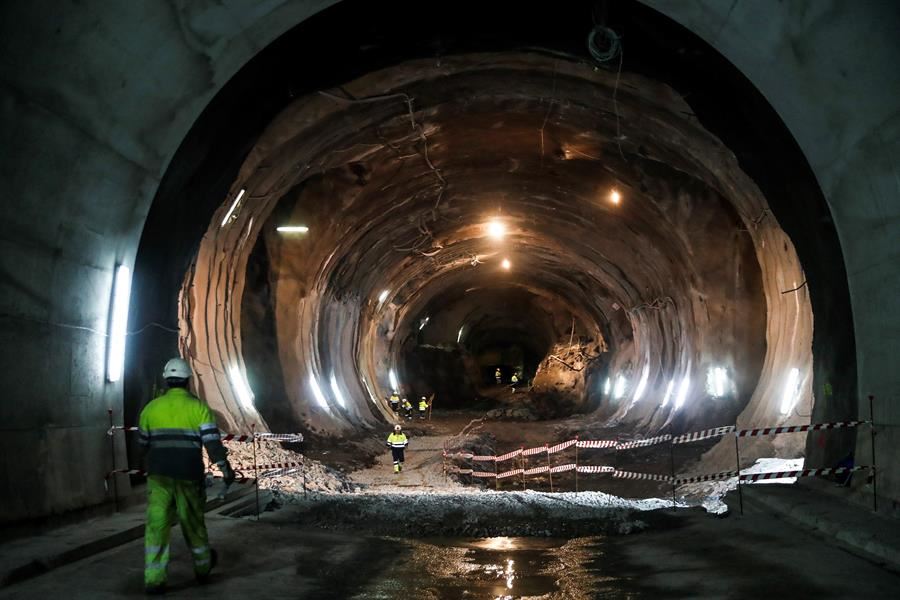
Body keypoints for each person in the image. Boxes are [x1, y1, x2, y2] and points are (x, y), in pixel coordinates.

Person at [139, 357, 235, 595]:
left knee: (157, 526)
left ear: (166, 380)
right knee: (193, 524)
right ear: (188, 381)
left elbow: (141, 445)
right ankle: (202, 570)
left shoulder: (150, 409)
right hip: (188, 477)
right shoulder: (199, 408)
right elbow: (212, 444)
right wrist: (225, 469)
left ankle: (154, 580)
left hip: (159, 478)